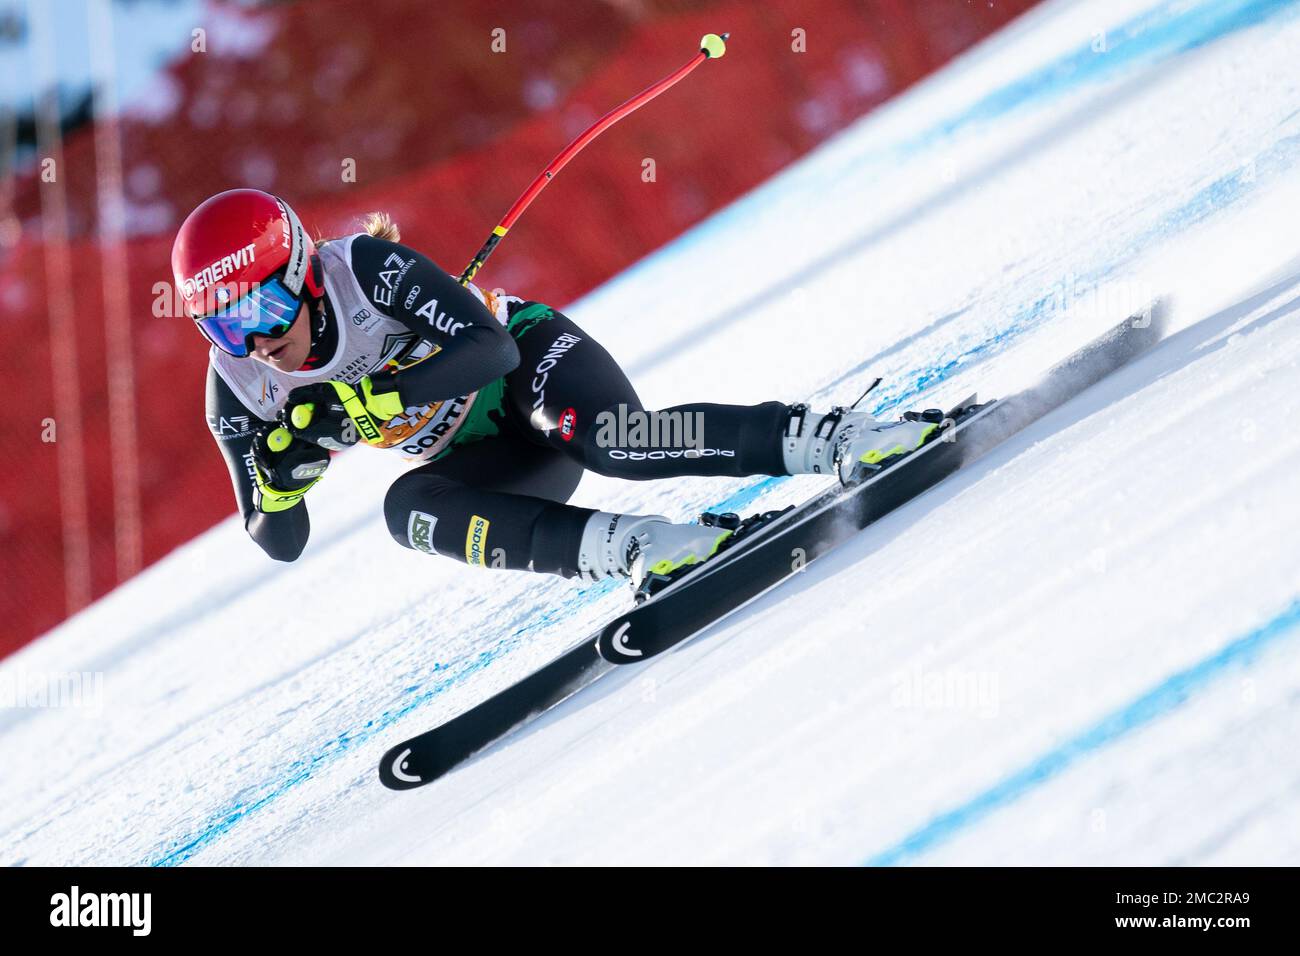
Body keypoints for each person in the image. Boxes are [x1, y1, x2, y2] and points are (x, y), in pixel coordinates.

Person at [174, 188, 938, 584]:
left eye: (265, 308)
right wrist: (277, 493)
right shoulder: (238, 388)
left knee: (617, 444)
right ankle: (641, 548)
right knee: (406, 510)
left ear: (304, 272)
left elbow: (491, 348)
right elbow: (277, 542)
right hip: (487, 455)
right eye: (224, 327)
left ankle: (841, 438)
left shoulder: (361, 272)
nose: (259, 341)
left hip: (527, 370)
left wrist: (378, 400)